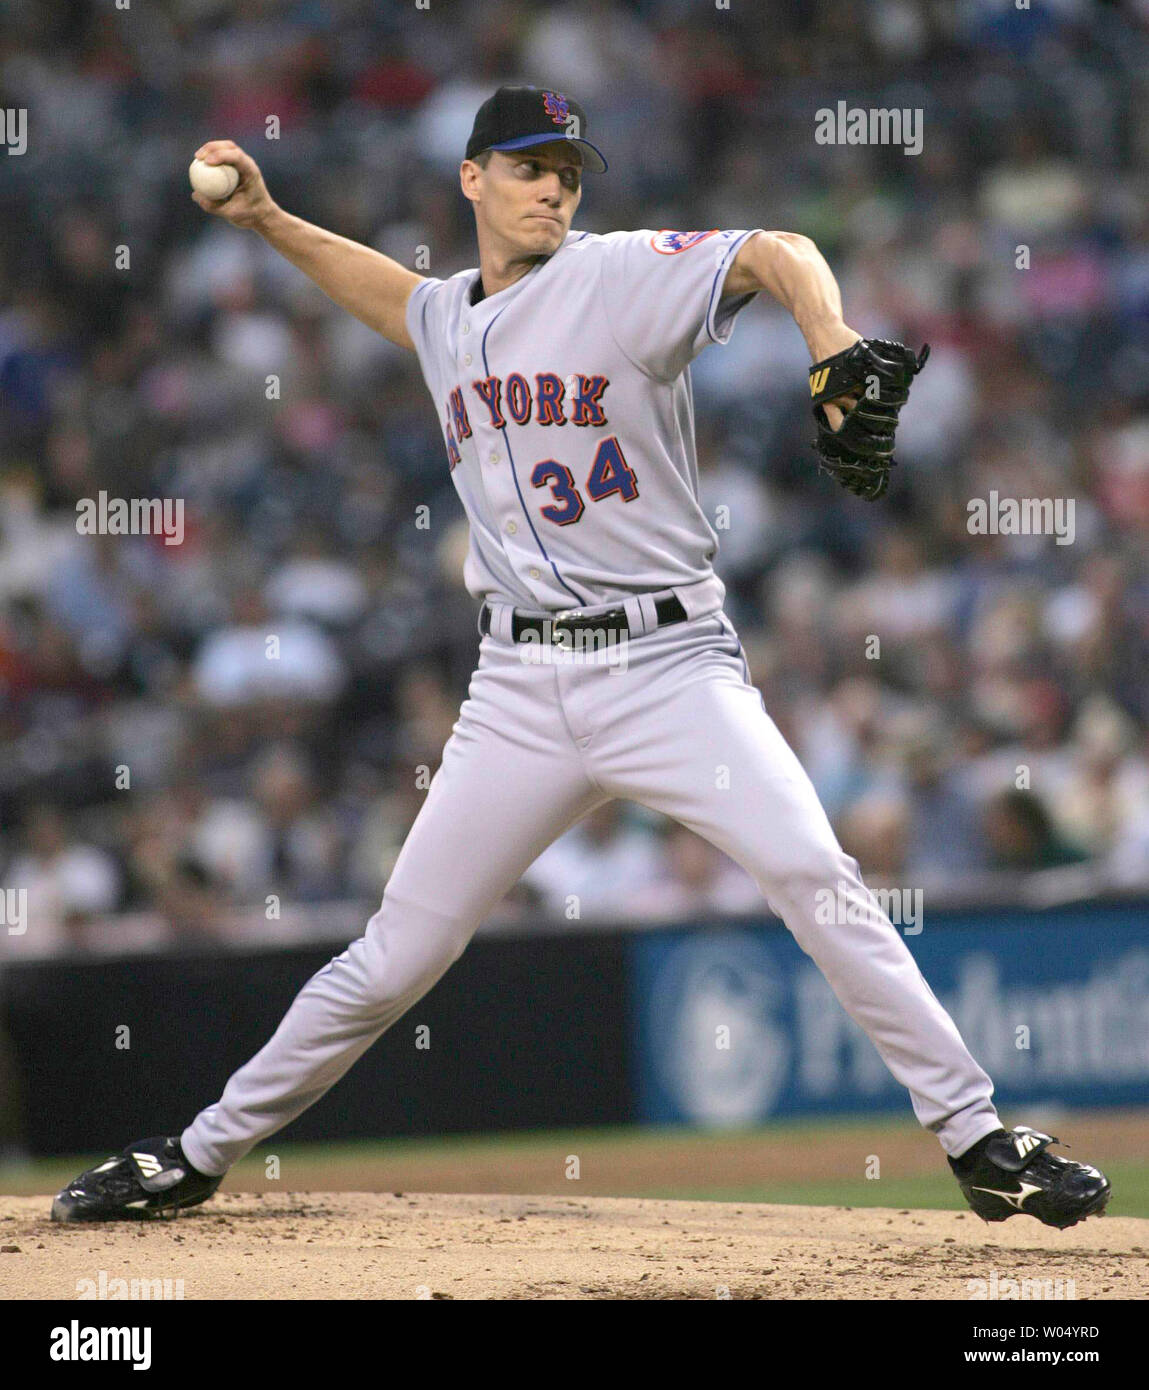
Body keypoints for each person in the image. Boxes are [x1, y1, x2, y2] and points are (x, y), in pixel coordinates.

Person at [53, 87, 1109, 1231]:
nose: (554, 185)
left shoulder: (615, 275)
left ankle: (978, 1140)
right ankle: (198, 1154)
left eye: (568, 167)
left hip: (671, 669)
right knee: (395, 955)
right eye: (526, 165)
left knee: (818, 878)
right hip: (516, 689)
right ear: (472, 179)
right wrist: (267, 220)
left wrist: (830, 336)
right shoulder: (450, 319)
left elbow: (778, 246)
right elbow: (396, 299)